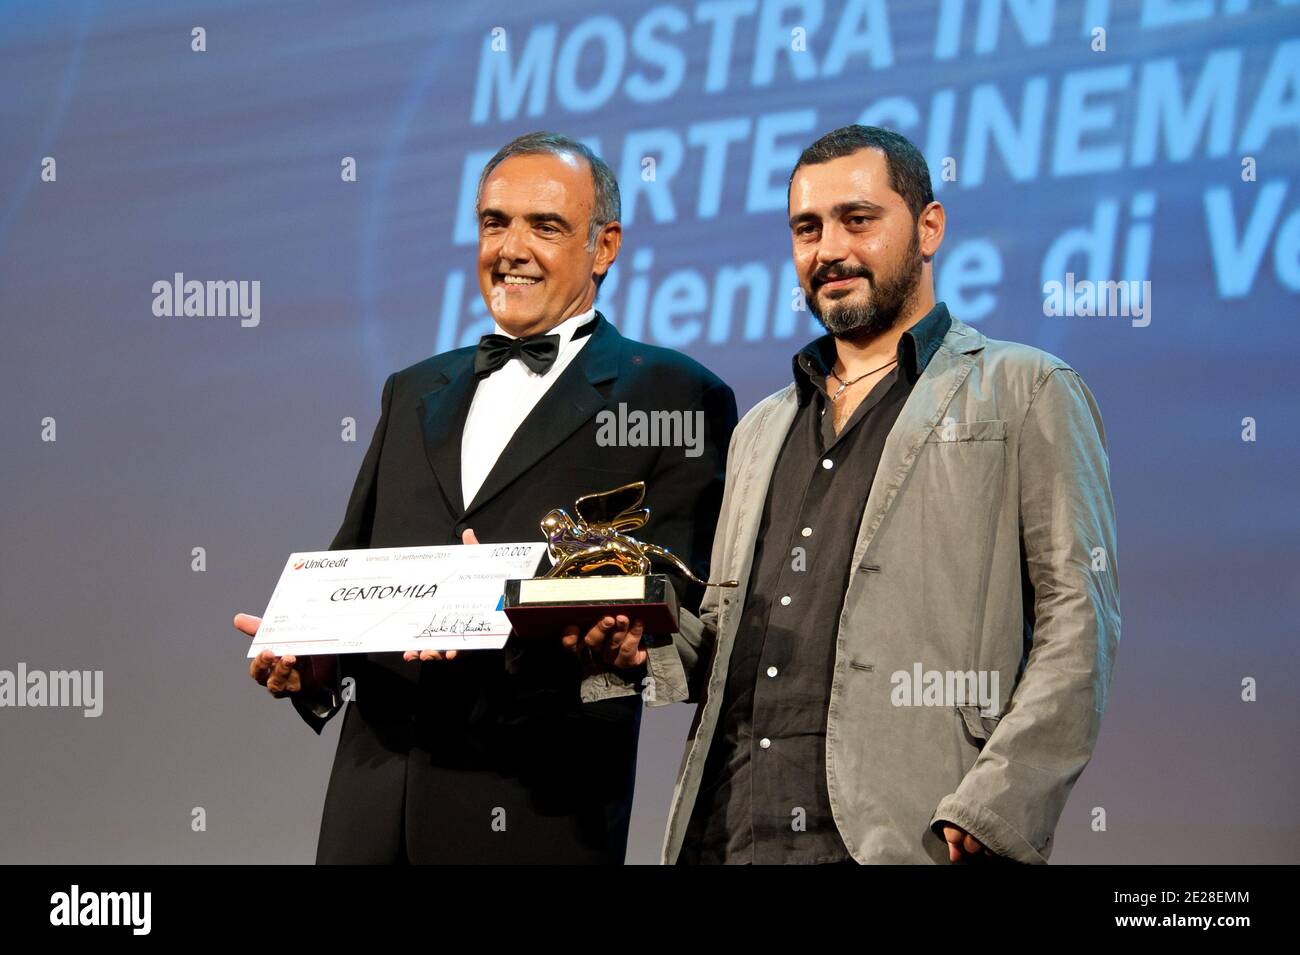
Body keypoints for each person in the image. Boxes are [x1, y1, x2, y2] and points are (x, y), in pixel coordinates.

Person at [583, 124, 1121, 864]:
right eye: (807, 228)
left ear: (929, 227)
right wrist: (639, 639)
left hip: (905, 833)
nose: (829, 248)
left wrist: (999, 803)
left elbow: (1078, 623)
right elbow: (722, 632)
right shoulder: (762, 426)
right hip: (727, 830)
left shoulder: (1027, 390)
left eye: (857, 220)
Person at [235, 131, 737, 864]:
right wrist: (312, 661)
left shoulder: (675, 393)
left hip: (535, 808)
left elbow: (678, 609)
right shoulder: (412, 392)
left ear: (605, 247)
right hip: (371, 810)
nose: (511, 247)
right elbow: (356, 575)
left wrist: (567, 622)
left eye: (545, 225)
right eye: (494, 222)